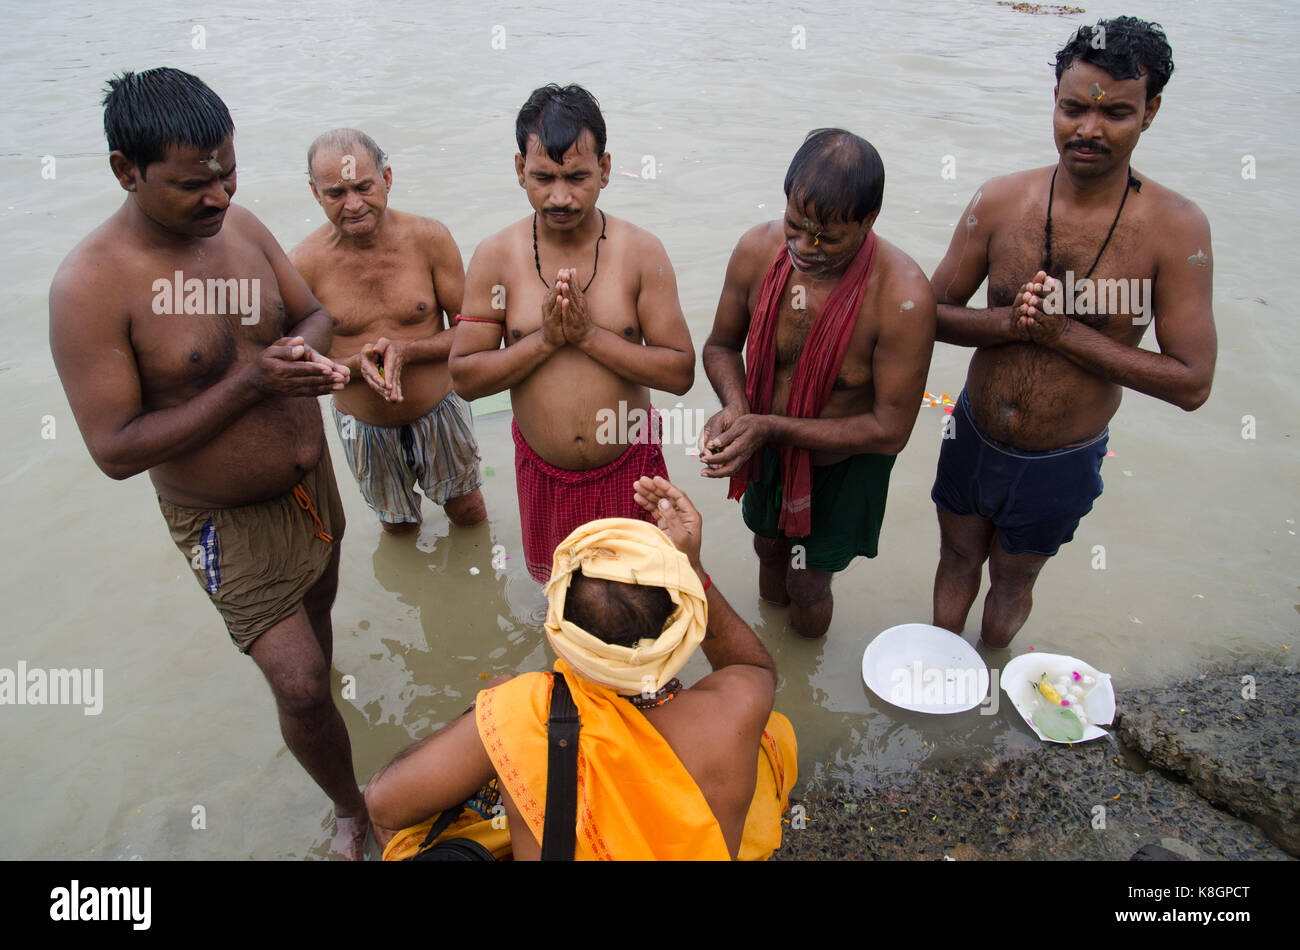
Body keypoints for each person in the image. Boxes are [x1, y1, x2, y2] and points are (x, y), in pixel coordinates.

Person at [48, 68, 368, 858]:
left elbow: (314, 314)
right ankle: (352, 808)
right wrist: (255, 382)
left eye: (229, 172)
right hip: (223, 518)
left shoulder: (243, 227)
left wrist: (304, 358)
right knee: (296, 681)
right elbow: (114, 449)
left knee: (319, 633)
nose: (220, 197)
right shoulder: (91, 286)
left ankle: (325, 726)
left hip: (312, 485)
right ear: (127, 171)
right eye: (195, 184)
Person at [929, 17, 1216, 647]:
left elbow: (1193, 382)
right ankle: (939, 680)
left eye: (1115, 112)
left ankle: (991, 674)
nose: (1088, 129)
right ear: (1054, 102)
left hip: (1063, 457)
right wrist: (1010, 323)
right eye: (1072, 109)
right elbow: (928, 314)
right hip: (975, 431)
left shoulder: (1177, 228)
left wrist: (1065, 336)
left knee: (1012, 579)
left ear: (1151, 112)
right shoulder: (1000, 201)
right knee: (954, 558)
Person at [363, 477, 797, 860]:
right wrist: (693, 566)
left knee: (413, 830)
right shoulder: (734, 706)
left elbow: (384, 804)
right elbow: (751, 664)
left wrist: (488, 718)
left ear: (558, 635)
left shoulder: (524, 706)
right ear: (683, 628)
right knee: (769, 735)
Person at [449, 83, 695, 583]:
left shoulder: (642, 252)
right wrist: (544, 341)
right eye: (543, 177)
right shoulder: (495, 257)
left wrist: (588, 338)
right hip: (545, 476)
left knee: (645, 601)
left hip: (633, 470)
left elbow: (680, 371)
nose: (560, 197)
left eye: (577, 177)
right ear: (520, 170)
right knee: (563, 604)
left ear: (604, 169)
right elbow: (466, 378)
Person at [699, 129, 936, 638]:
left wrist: (769, 428)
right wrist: (737, 408)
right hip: (765, 452)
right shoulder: (755, 251)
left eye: (828, 236)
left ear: (869, 220)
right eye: (795, 227)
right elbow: (720, 346)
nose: (806, 248)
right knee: (766, 548)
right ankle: (776, 668)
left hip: (843, 468)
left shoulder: (902, 294)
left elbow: (890, 430)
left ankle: (805, 659)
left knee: (808, 582)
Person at [291, 129, 486, 534]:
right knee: (397, 527)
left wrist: (408, 350)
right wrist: (354, 366)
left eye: (364, 187)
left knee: (469, 513)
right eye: (336, 194)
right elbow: (295, 367)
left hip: (439, 410)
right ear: (315, 193)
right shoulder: (303, 265)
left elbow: (474, 333)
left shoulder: (429, 238)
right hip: (364, 425)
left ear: (388, 178)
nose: (354, 204)